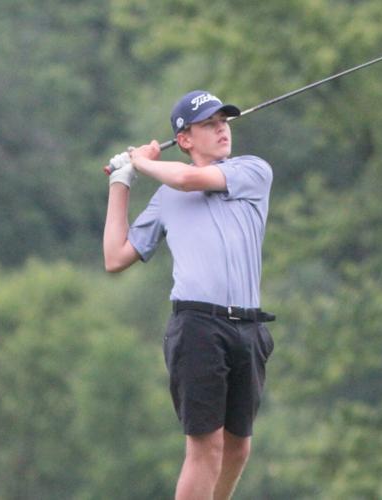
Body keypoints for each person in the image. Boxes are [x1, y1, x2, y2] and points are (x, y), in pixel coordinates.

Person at [102, 90, 275, 500]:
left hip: (248, 327)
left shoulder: (252, 171)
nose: (222, 130)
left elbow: (187, 178)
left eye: (224, 122)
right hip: (197, 325)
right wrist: (121, 181)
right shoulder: (166, 198)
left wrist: (142, 161)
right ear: (185, 140)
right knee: (205, 446)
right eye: (210, 124)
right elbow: (115, 257)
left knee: (238, 446)